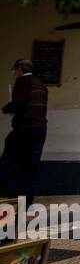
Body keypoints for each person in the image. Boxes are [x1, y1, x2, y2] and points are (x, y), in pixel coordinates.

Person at [0, 60, 48, 205]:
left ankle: (14, 197)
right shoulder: (41, 84)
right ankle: (27, 200)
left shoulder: (23, 81)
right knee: (31, 166)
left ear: (20, 69)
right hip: (41, 129)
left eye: (15, 70)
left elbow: (18, 103)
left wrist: (5, 109)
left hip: (24, 129)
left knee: (5, 164)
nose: (14, 73)